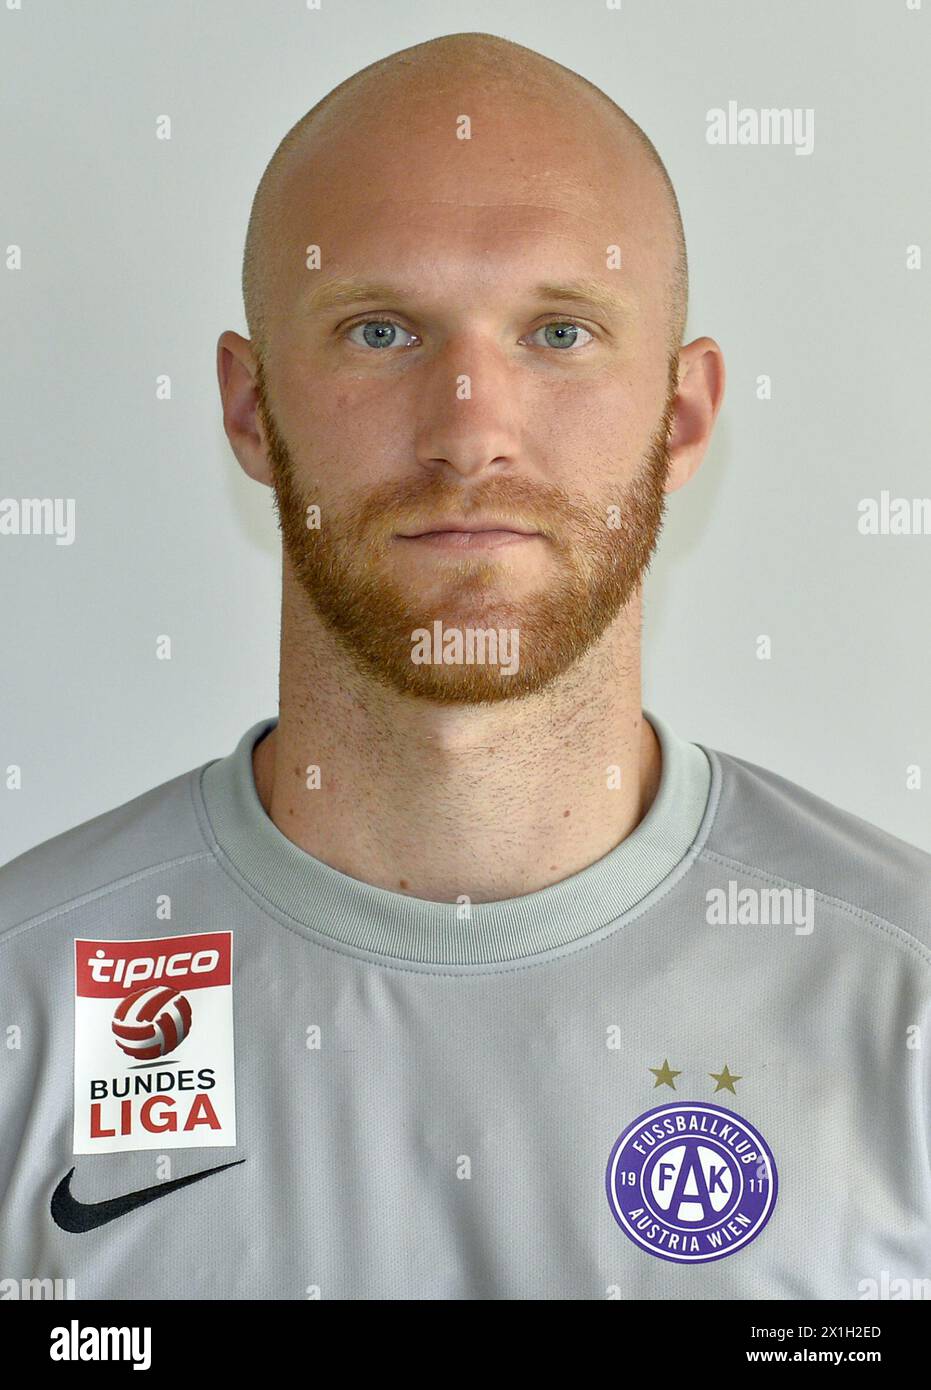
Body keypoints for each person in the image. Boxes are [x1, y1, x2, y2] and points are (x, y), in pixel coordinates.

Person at [1, 32, 928, 1302]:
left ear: (683, 417)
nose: (468, 431)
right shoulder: (26, 1006)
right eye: (379, 329)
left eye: (558, 330)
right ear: (250, 409)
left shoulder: (901, 1002)